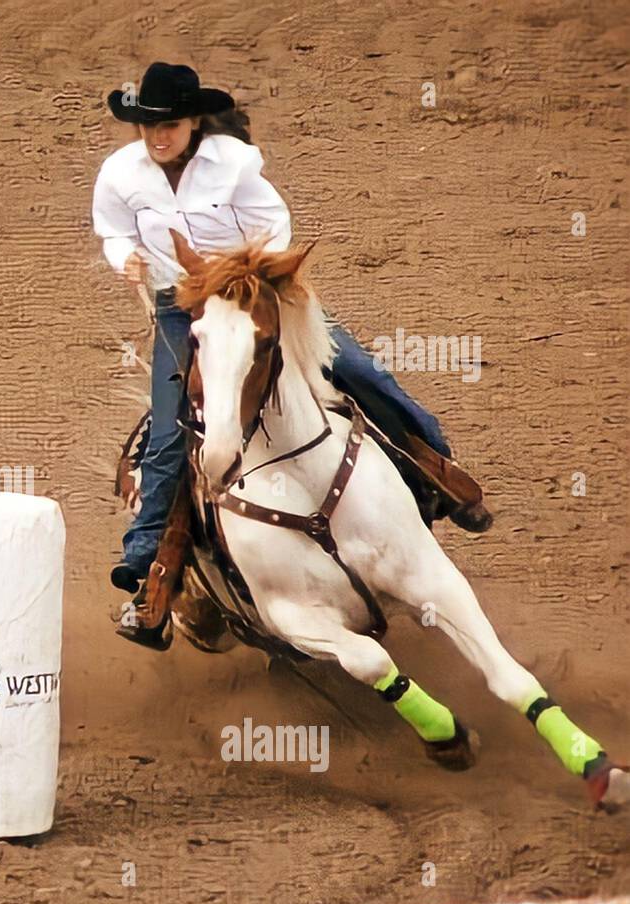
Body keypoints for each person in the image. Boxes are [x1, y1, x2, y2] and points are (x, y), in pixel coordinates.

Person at [93, 62, 492, 601]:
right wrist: (125, 259)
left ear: (193, 123)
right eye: (149, 126)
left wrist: (255, 276)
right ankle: (146, 554)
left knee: (357, 368)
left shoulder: (234, 164)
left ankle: (441, 474)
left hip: (253, 294)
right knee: (169, 427)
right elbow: (113, 229)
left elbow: (273, 222)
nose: (159, 136)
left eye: (171, 124)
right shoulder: (120, 173)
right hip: (180, 306)